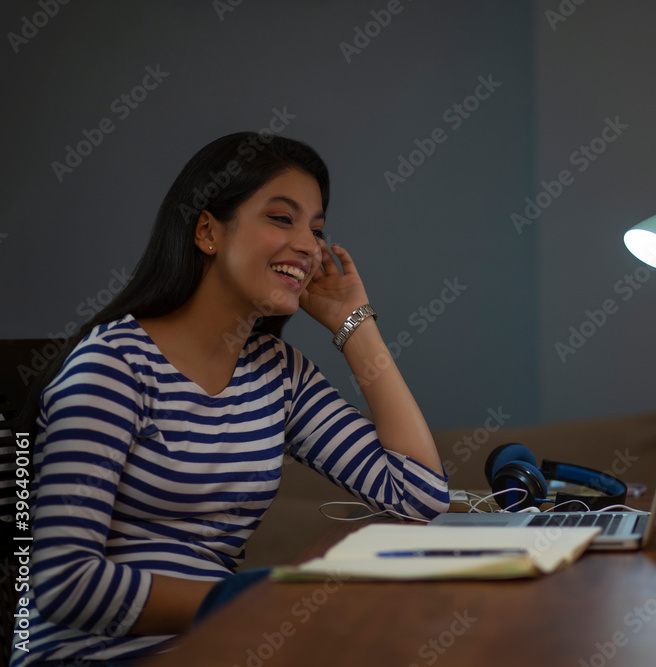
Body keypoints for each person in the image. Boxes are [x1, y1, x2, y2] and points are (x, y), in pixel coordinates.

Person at [13, 133, 449, 666]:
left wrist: (353, 322)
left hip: (224, 644)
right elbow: (63, 583)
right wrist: (252, 600)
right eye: (282, 219)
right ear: (207, 231)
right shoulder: (115, 367)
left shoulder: (278, 375)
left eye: (316, 229)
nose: (310, 247)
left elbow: (418, 495)